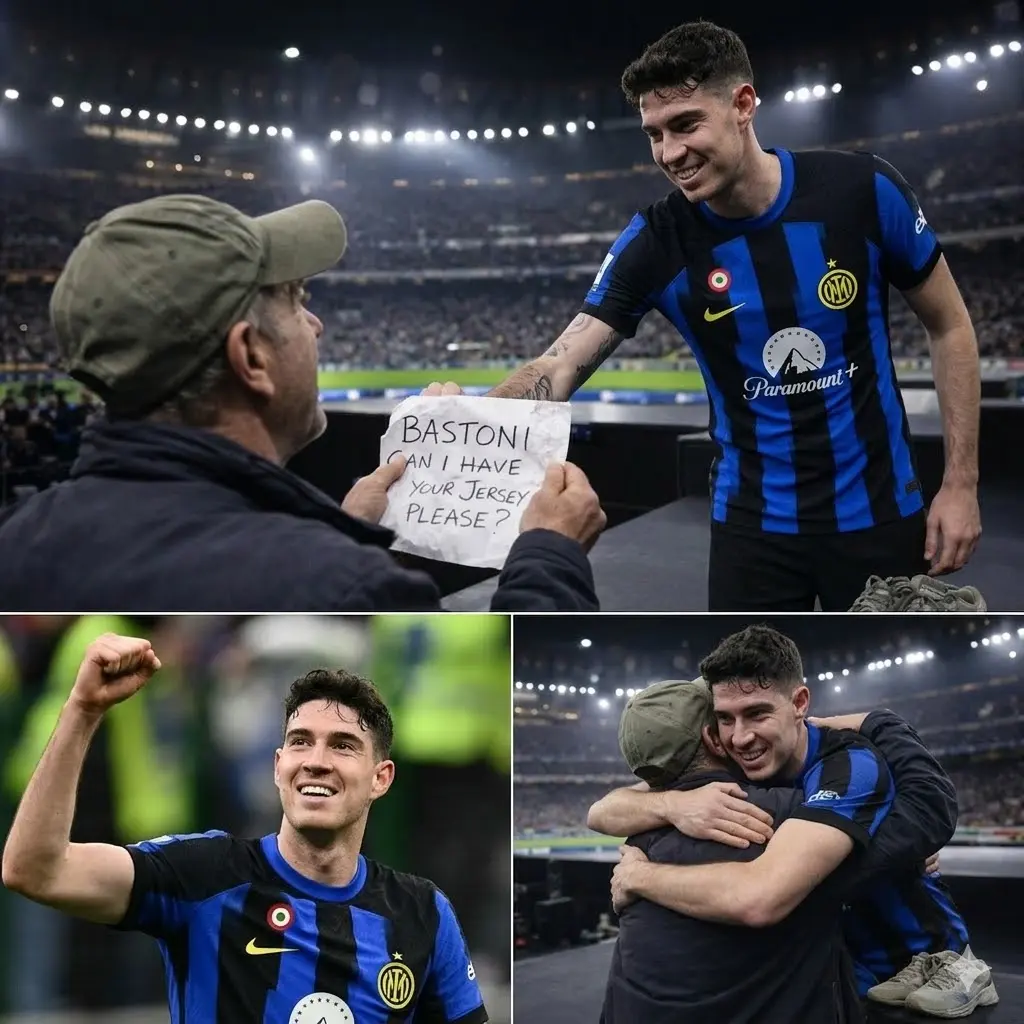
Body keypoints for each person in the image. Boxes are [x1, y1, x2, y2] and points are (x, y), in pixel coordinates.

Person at [426, 20, 981, 612]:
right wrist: (469, 417)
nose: (669, 154)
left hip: (883, 512)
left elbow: (950, 326)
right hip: (752, 530)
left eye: (686, 125)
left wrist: (960, 483)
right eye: (654, 134)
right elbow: (561, 363)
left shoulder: (864, 190)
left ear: (743, 104)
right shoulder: (656, 239)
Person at [0, 194, 605, 612]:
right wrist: (550, 557)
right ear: (252, 359)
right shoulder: (339, 588)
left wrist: (342, 526)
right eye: (294, 300)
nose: (314, 324)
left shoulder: (21, 538)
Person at [1, 633, 489, 1024]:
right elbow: (36, 870)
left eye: (342, 746)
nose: (315, 762)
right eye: (301, 742)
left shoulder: (422, 912)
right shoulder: (206, 874)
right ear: (279, 767)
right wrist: (82, 712)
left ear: (381, 779)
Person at [590, 626, 998, 1018]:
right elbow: (603, 810)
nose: (740, 737)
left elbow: (762, 897)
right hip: (847, 969)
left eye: (757, 713)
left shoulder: (848, 766)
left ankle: (961, 963)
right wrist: (673, 806)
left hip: (917, 962)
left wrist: (638, 878)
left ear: (800, 703)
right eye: (726, 719)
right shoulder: (745, 758)